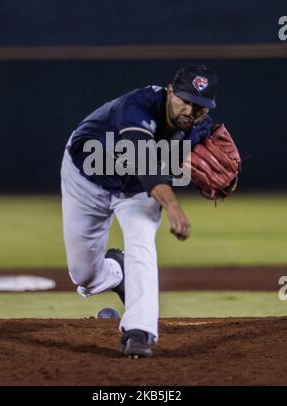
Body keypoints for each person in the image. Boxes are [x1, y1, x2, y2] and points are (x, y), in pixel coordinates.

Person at [61, 64, 218, 358]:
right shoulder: (137, 106)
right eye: (184, 100)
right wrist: (172, 204)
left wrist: (227, 181)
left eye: (200, 107)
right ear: (170, 92)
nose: (191, 111)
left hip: (135, 191)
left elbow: (217, 164)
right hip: (86, 179)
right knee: (84, 276)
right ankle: (117, 273)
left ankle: (139, 331)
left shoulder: (199, 126)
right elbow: (144, 163)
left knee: (142, 242)